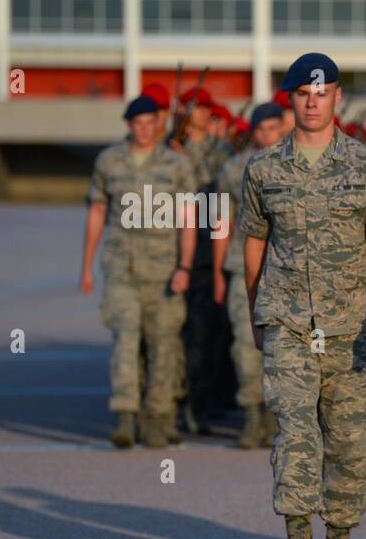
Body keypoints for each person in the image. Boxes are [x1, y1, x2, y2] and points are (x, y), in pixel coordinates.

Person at [236, 53, 366, 539]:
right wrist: (256, 310)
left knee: (350, 444)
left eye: (322, 92)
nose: (313, 102)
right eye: (303, 94)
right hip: (286, 320)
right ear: (292, 99)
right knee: (295, 436)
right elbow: (254, 242)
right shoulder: (263, 169)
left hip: (351, 325)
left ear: (336, 98)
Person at [80, 95, 198, 448]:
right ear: (128, 124)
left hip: (164, 270)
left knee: (163, 344)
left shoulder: (176, 164)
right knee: (125, 341)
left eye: (150, 123)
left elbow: (188, 219)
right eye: (137, 123)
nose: (144, 130)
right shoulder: (109, 161)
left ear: (158, 125)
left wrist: (185, 266)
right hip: (121, 268)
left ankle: (158, 418)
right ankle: (125, 414)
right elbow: (97, 212)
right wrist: (86, 267)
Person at [214, 102, 284, 448]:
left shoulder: (294, 164)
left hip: (286, 270)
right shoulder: (233, 169)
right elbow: (220, 221)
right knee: (245, 346)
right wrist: (217, 270)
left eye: (272, 128)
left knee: (282, 349)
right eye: (260, 129)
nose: (266, 135)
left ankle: (275, 419)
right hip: (244, 268)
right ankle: (251, 417)